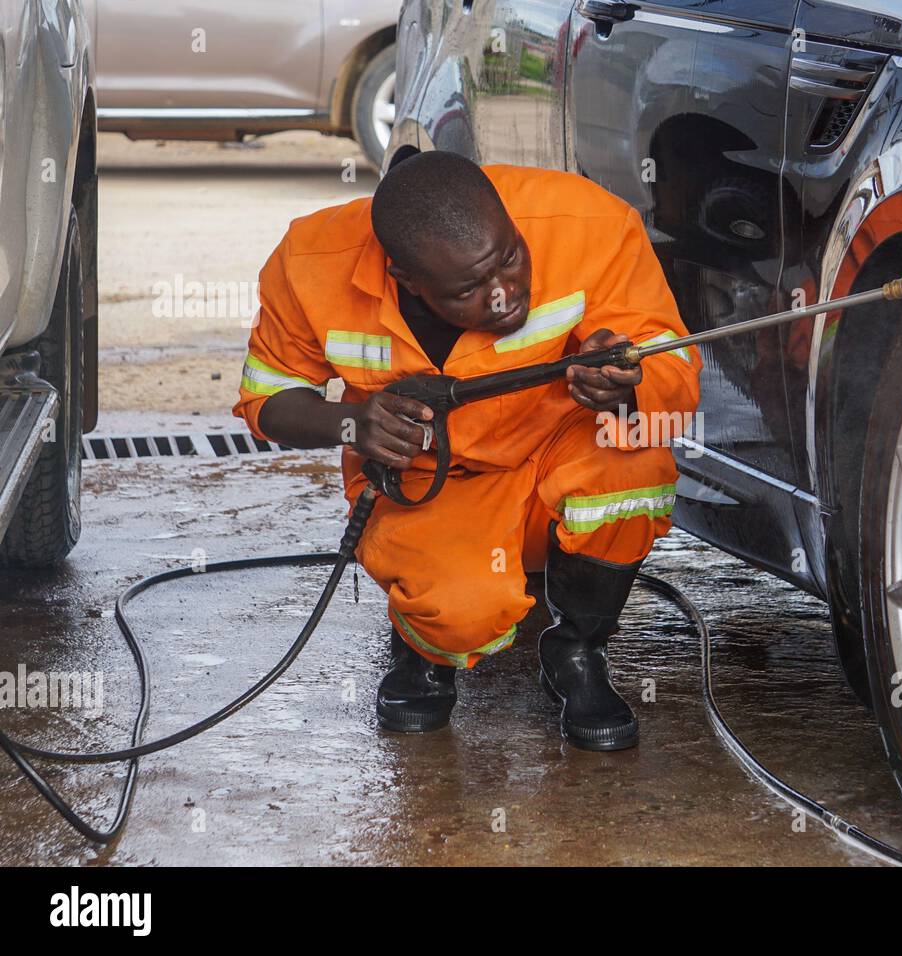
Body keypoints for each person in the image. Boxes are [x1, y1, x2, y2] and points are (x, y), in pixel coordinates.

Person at [233, 151, 700, 751]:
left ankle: (578, 652)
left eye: (509, 260)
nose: (504, 297)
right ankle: (424, 652)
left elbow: (674, 360)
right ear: (405, 278)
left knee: (635, 459)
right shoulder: (309, 262)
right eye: (468, 290)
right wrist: (353, 424)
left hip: (558, 449)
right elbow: (264, 402)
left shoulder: (591, 223)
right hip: (435, 480)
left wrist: (627, 387)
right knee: (461, 611)